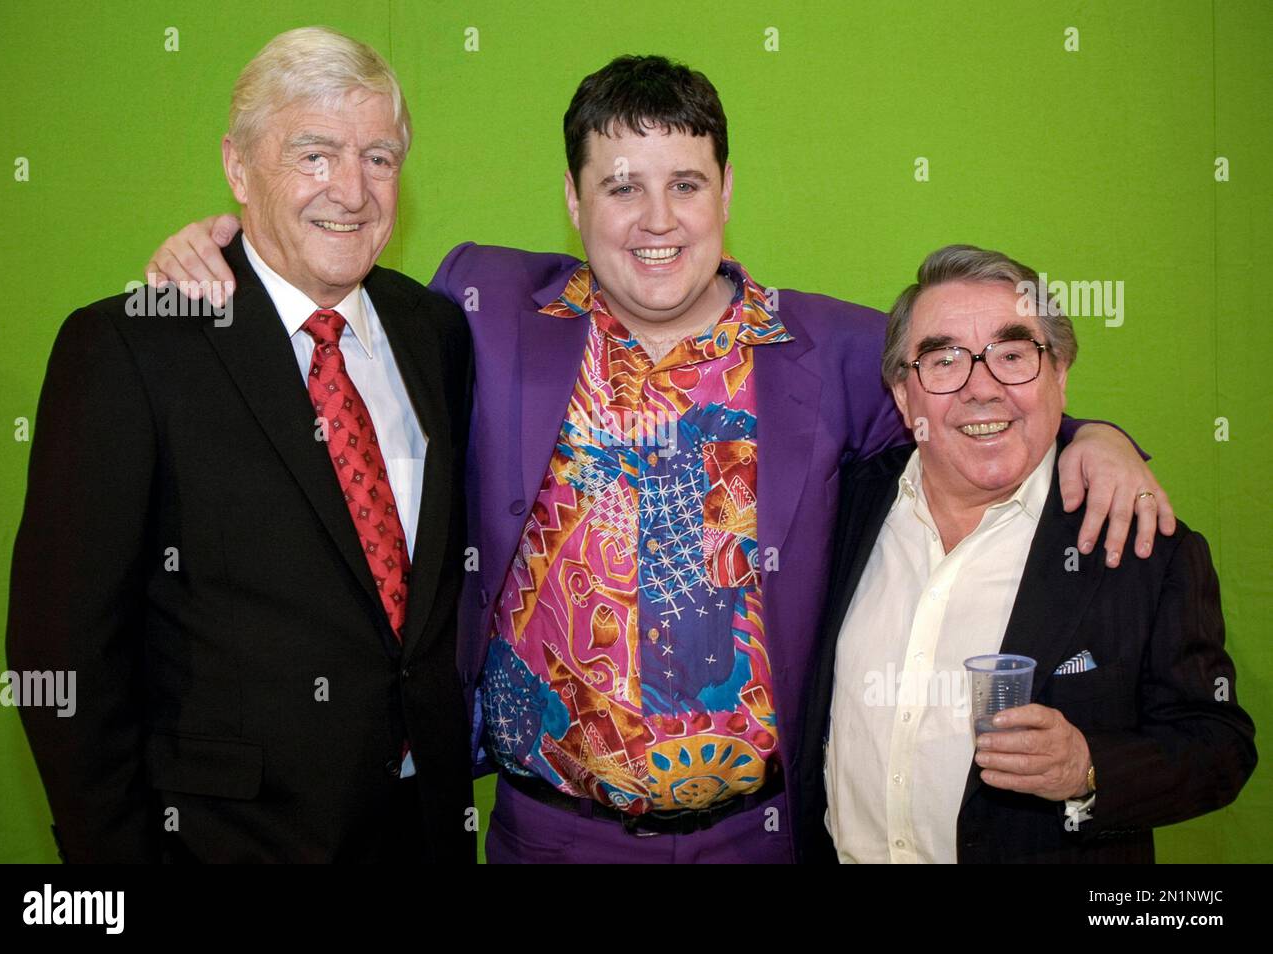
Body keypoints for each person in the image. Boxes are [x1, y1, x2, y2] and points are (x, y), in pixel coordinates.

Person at [144, 56, 1171, 863]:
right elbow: (332, 285)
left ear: (726, 187)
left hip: (760, 834)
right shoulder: (484, 306)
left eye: (684, 181)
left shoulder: (840, 351)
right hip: (547, 831)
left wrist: (1099, 439)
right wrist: (227, 245)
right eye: (621, 186)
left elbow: (972, 397)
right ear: (573, 198)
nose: (656, 219)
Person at [7, 27, 475, 862]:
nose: (352, 189)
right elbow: (63, 648)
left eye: (379, 158)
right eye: (314, 153)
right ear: (236, 166)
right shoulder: (134, 346)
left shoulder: (435, 332)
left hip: (425, 832)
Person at [798, 245, 1256, 863]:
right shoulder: (836, 508)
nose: (981, 389)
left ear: (1060, 374)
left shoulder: (1146, 548)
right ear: (904, 396)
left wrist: (1090, 769)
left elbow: (1219, 743)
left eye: (1013, 356)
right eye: (943, 360)